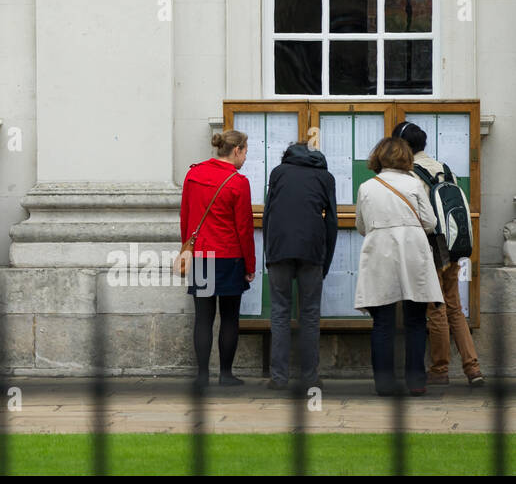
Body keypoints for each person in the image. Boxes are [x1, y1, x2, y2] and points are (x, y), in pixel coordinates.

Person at [391, 121, 484, 387]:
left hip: (431, 247)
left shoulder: (411, 174)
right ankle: (472, 367)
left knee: (436, 307)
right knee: (454, 306)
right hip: (454, 246)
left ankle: (440, 368)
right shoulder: (445, 169)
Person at [354, 136, 444, 396]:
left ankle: (383, 382)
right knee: (416, 320)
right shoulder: (413, 184)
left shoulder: (367, 187)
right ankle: (416, 381)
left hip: (379, 250)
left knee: (382, 322)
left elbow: (361, 226)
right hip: (413, 250)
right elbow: (430, 223)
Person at [180, 129, 255, 391]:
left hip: (201, 254)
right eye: (245, 152)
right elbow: (244, 228)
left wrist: (186, 250)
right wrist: (250, 265)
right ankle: (225, 373)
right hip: (229, 256)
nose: (245, 158)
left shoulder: (193, 174)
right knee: (230, 317)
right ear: (236, 151)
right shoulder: (238, 182)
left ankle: (202, 375)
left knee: (203, 318)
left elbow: (186, 217)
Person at [261, 141, 338, 391]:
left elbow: (268, 214)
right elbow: (332, 223)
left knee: (280, 312)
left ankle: (279, 377)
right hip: (312, 250)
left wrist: (268, 253)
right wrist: (325, 261)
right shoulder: (325, 177)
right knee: (310, 314)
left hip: (280, 250)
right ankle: (309, 377)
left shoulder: (278, 173)